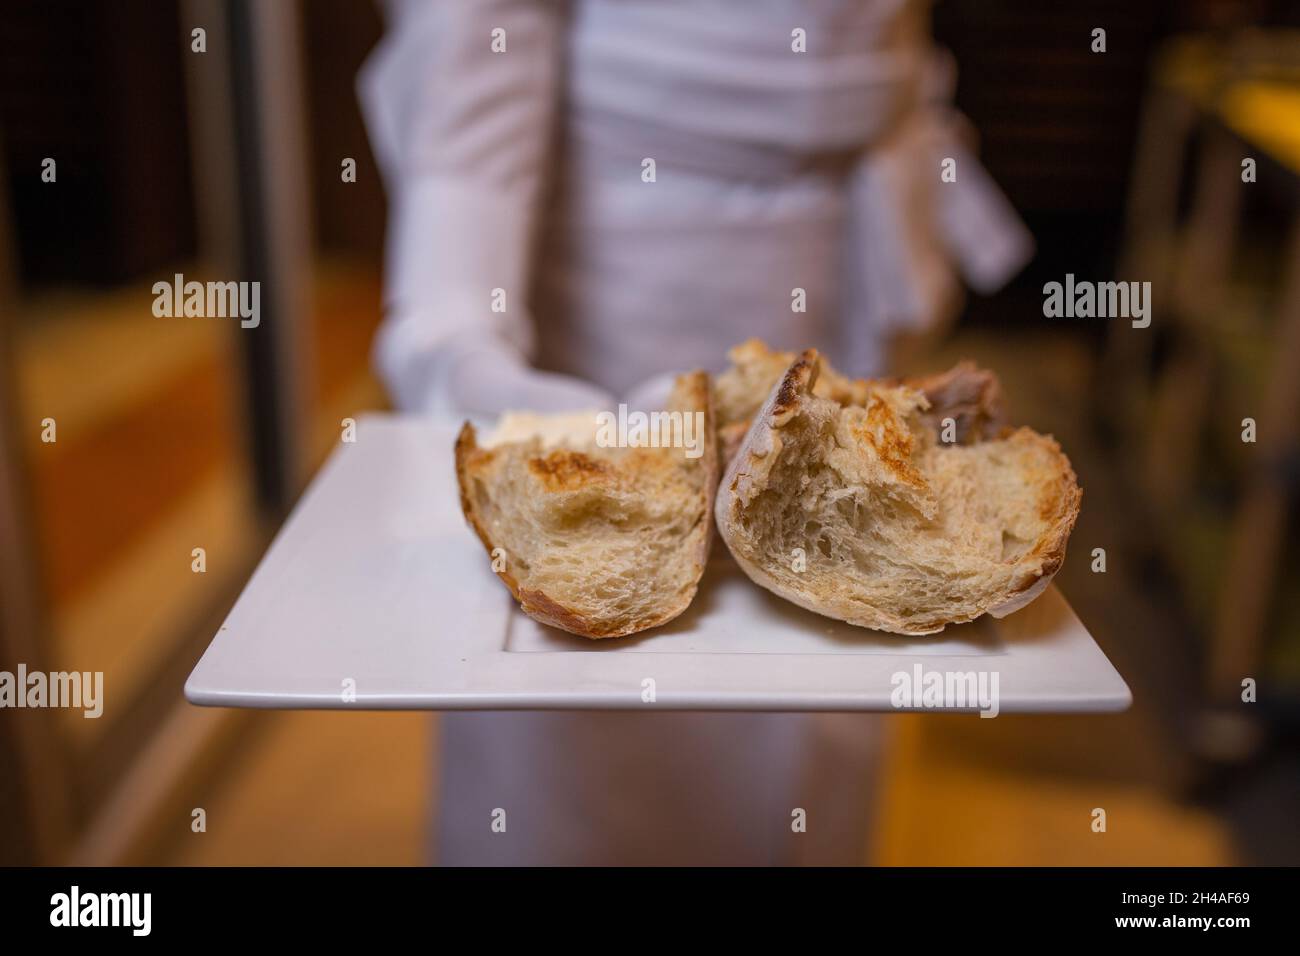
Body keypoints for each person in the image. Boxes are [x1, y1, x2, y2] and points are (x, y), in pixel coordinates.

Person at [359, 0, 1031, 865]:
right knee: (587, 731)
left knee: (826, 664)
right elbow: (478, 44)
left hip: (851, 235)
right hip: (627, 248)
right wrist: (456, 336)